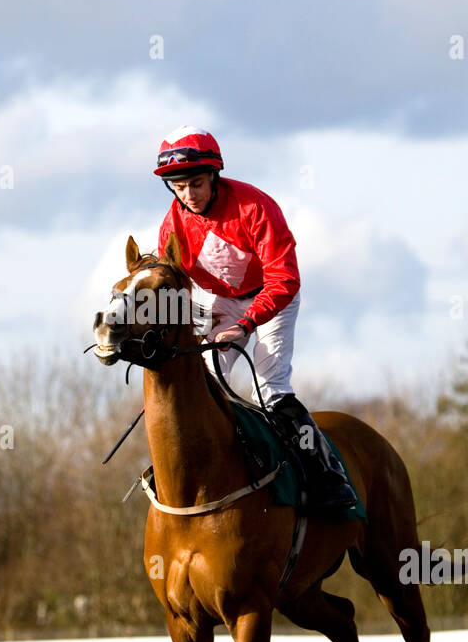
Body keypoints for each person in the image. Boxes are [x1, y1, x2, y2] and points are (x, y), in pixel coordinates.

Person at [152, 126, 359, 514]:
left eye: (196, 183)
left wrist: (244, 325)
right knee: (203, 381)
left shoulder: (254, 207)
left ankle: (329, 476)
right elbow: (175, 286)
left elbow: (285, 278)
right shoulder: (172, 225)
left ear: (214, 176)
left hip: (272, 296)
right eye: (179, 187)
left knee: (270, 388)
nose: (188, 195)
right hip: (221, 300)